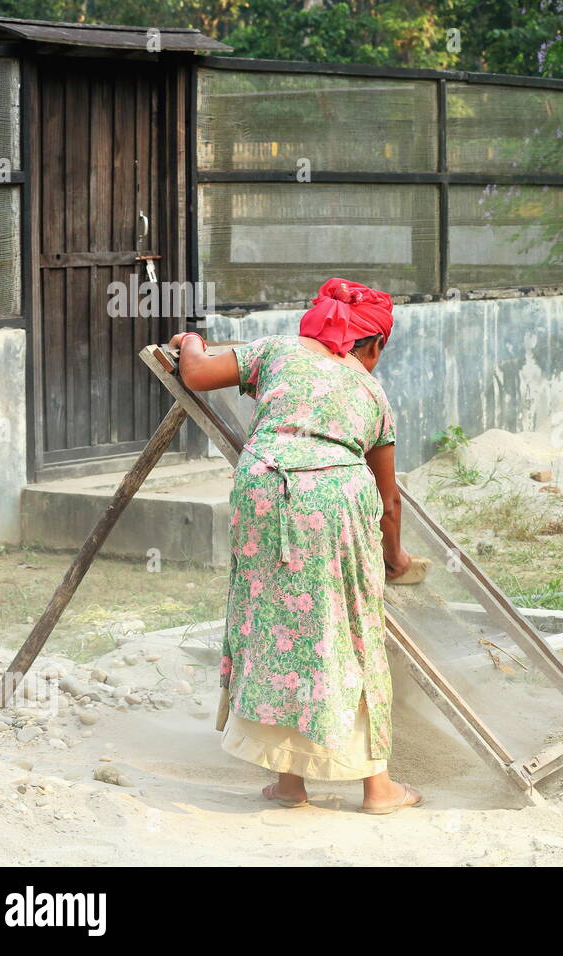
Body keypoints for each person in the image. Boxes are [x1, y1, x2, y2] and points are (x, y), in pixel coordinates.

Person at [170, 277, 424, 813]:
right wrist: (395, 559)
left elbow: (195, 373)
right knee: (350, 630)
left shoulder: (277, 351)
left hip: (263, 490)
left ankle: (289, 782)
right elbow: (389, 499)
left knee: (278, 627)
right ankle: (377, 788)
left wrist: (189, 340)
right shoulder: (372, 392)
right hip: (334, 502)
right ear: (375, 343)